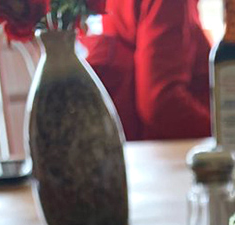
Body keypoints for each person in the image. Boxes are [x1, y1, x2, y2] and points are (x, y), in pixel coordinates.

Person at [84, 0, 211, 141]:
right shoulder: (168, 3)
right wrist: (224, 134)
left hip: (136, 147)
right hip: (164, 153)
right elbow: (162, 104)